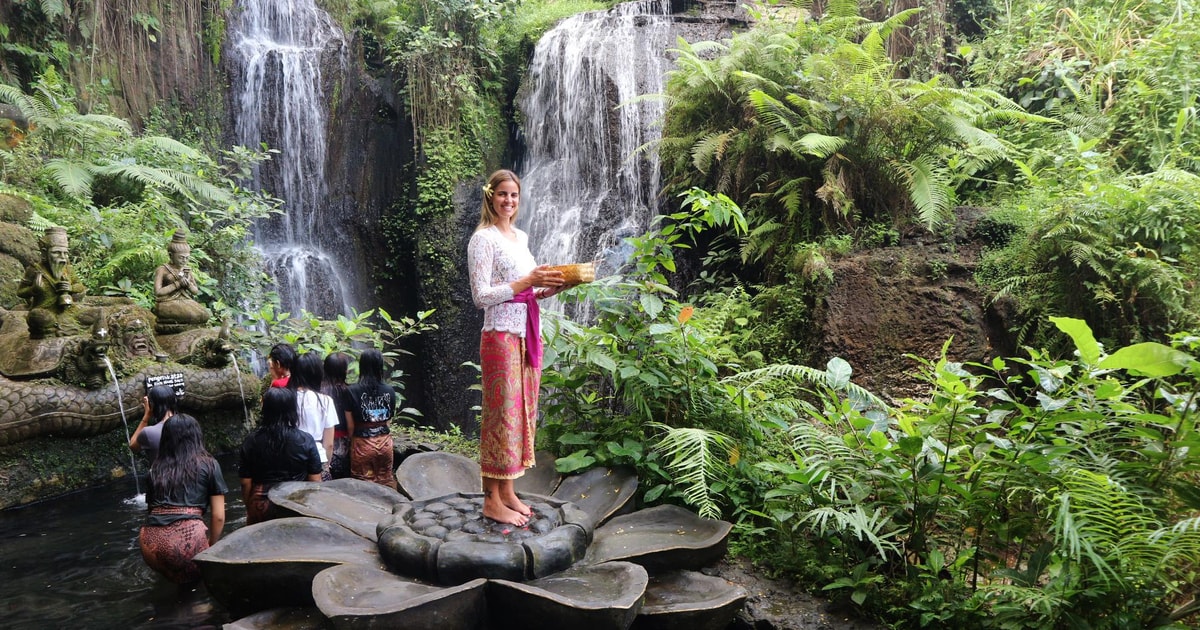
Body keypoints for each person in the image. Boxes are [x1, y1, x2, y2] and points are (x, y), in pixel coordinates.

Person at [466, 169, 564, 525]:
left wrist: (548, 289)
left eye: (514, 195)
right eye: (503, 194)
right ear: (491, 196)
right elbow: (481, 297)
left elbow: (526, 290)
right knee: (500, 415)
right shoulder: (483, 239)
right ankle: (490, 499)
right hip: (499, 337)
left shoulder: (520, 237)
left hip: (524, 332)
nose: (509, 201)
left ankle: (507, 491)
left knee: (520, 413)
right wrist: (527, 281)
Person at [138, 414, 226, 584]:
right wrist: (211, 547)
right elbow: (219, 516)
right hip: (185, 539)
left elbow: (152, 511)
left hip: (148, 540)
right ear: (196, 436)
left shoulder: (155, 468)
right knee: (197, 589)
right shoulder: (209, 465)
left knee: (172, 585)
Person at [238, 387, 323, 525]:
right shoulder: (305, 440)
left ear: (265, 410)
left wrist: (249, 508)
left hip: (261, 506)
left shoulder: (251, 441)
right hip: (295, 504)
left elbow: (245, 482)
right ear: (291, 409)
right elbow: (315, 480)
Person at [17, 226, 87, 338]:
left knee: (93, 314)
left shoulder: (68, 269)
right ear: (45, 253)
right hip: (45, 311)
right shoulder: (34, 269)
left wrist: (70, 288)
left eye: (65, 253)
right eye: (57, 253)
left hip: (67, 310)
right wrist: (33, 290)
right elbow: (20, 292)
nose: (62, 257)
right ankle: (60, 328)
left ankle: (57, 329)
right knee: (37, 317)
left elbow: (80, 287)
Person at [345, 348, 397, 488]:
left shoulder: (352, 391)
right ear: (380, 366)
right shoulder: (389, 390)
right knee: (386, 479)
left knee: (362, 484)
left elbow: (350, 426)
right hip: (385, 442)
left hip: (362, 442)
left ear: (362, 366)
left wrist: (353, 442)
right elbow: (388, 419)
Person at [289, 352, 339, 480]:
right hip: (318, 457)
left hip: (291, 458)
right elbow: (329, 444)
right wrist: (327, 465)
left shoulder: (287, 398)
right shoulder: (326, 401)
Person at [153, 230, 212, 332]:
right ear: (171, 256)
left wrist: (188, 285)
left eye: (187, 258)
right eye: (181, 257)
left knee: (205, 314)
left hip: (185, 300)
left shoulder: (186, 270)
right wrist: (177, 284)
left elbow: (195, 291)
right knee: (192, 315)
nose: (184, 260)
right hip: (167, 302)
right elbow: (158, 292)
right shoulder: (162, 269)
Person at [322, 351, 353, 479]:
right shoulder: (349, 391)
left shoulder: (318, 392)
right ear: (344, 371)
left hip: (322, 442)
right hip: (344, 444)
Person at [129, 385, 178, 462]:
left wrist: (146, 415)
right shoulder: (190, 424)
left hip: (161, 473)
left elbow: (133, 447)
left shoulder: (148, 432)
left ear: (151, 405)